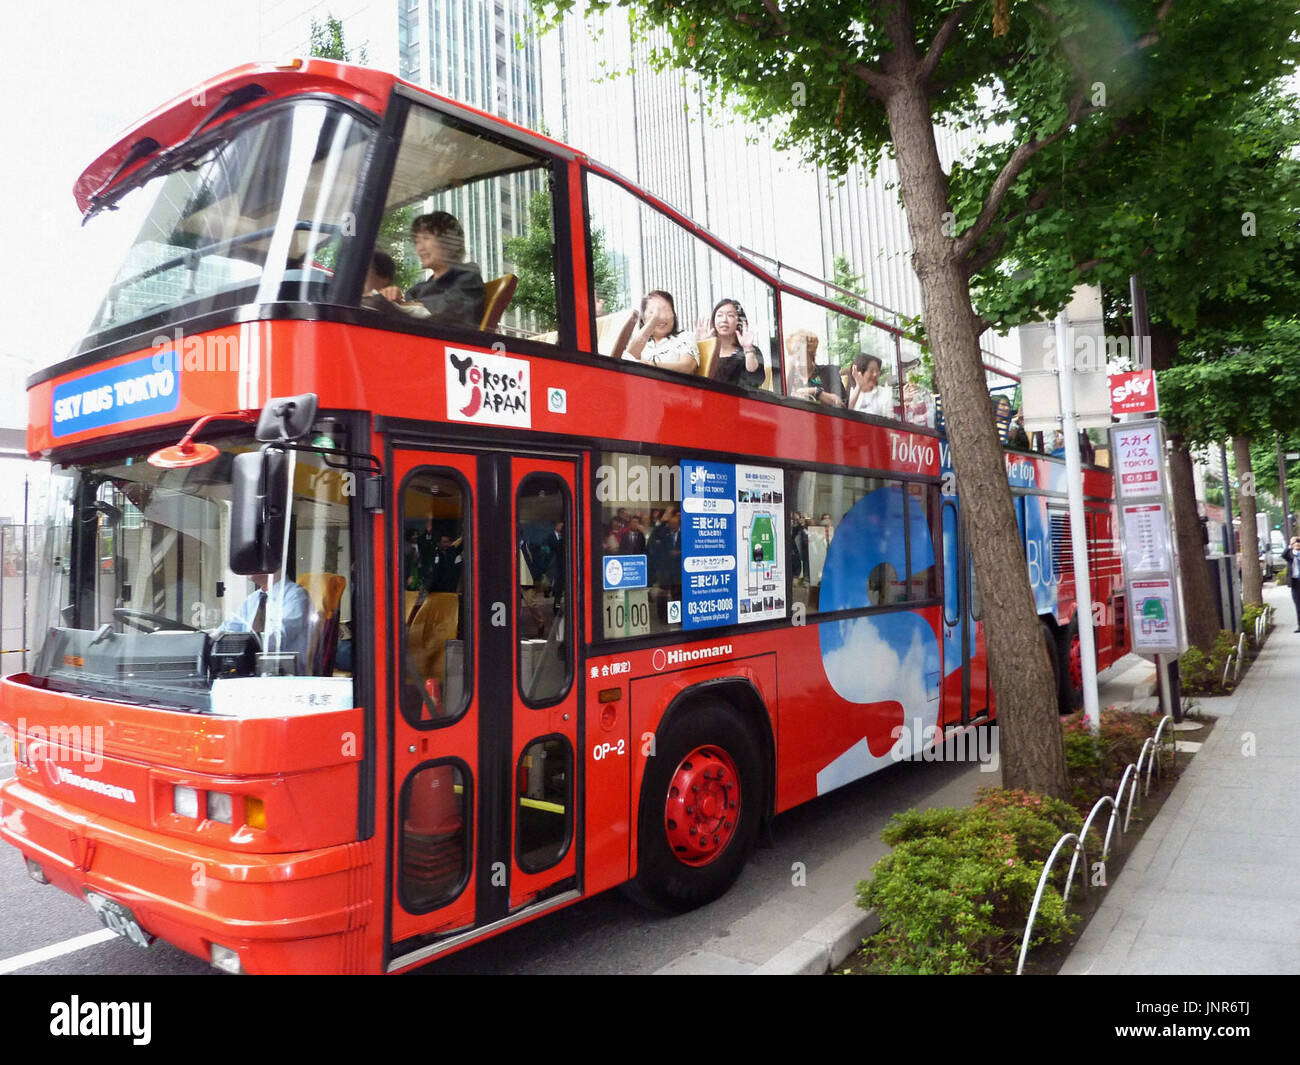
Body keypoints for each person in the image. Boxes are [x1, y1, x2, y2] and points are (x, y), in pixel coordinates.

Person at [377, 212, 485, 327]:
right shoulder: (417, 290)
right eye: (417, 242)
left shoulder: (468, 277)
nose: (419, 248)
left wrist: (405, 306)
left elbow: (451, 311)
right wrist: (392, 300)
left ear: (450, 243)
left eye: (426, 238)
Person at [217, 573, 312, 672]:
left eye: (255, 558)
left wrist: (243, 643)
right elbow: (230, 627)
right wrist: (212, 636)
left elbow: (278, 638)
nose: (247, 565)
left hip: (285, 676)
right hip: (250, 674)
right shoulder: (252, 599)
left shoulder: (296, 596)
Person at [624, 290, 699, 372]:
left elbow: (687, 366)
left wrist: (651, 365)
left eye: (665, 310)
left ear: (673, 314)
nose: (661, 317)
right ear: (643, 319)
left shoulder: (685, 336)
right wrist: (654, 320)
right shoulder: (640, 343)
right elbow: (628, 359)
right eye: (652, 312)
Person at [701, 298, 765, 389]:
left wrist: (748, 349)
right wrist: (702, 347)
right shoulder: (707, 350)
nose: (724, 320)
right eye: (719, 315)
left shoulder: (750, 351)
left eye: (730, 315)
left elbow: (755, 382)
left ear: (740, 322)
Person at [785, 329, 845, 406]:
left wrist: (815, 392)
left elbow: (842, 404)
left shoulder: (829, 372)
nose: (795, 356)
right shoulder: (788, 378)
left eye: (799, 351)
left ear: (811, 353)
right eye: (792, 352)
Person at [847, 353, 893, 418]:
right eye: (871, 371)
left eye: (877, 371)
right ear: (860, 373)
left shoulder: (886, 393)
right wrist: (859, 386)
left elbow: (890, 419)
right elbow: (847, 414)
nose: (875, 374)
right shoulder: (853, 392)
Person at [1283, 536, 1300, 632]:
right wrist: (1290, 544)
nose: (1297, 545)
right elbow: (1283, 554)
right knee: (1298, 605)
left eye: (1299, 543)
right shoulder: (1291, 556)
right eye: (1295, 544)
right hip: (1295, 583)